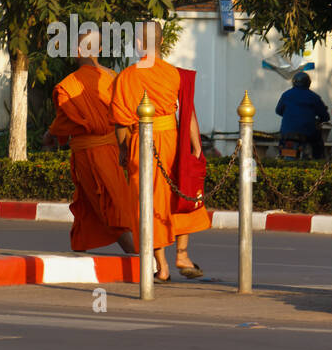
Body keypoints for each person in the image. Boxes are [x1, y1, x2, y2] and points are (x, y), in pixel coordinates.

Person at [111, 21, 210, 281]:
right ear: (162, 42)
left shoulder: (127, 76)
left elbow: (121, 121)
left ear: (138, 44)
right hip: (173, 142)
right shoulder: (175, 74)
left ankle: (161, 265)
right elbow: (186, 112)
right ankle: (182, 254)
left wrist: (123, 151)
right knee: (181, 192)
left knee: (148, 201)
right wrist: (195, 145)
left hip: (141, 144)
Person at [41, 29, 136, 255]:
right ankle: (83, 248)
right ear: (99, 49)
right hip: (115, 149)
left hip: (92, 155)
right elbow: (127, 116)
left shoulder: (69, 85)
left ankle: (138, 254)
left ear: (76, 50)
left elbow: (65, 119)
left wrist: (50, 134)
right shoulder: (113, 78)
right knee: (96, 202)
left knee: (109, 205)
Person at [276, 71, 330, 159]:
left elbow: (278, 110)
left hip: (287, 133)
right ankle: (317, 161)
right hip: (307, 132)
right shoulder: (314, 97)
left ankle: (281, 157)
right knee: (318, 145)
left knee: (282, 145)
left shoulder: (286, 95)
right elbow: (325, 116)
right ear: (308, 83)